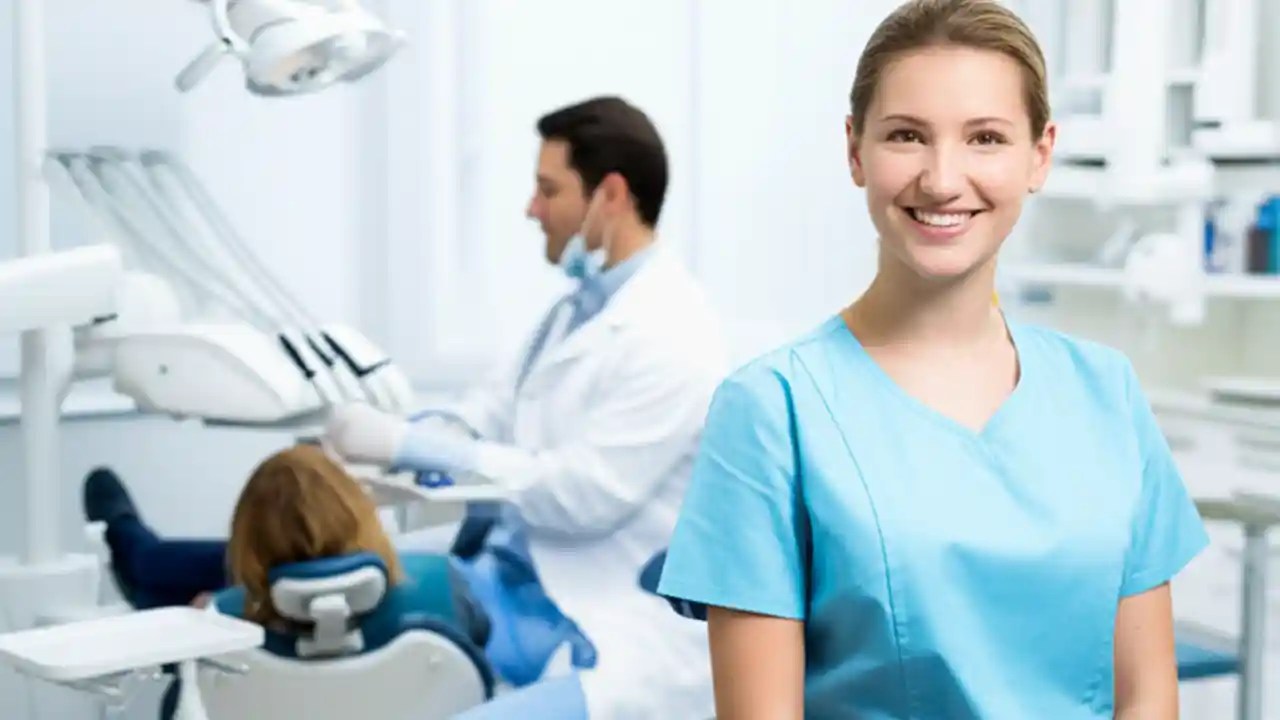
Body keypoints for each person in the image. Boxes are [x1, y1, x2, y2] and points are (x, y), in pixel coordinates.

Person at [89, 96, 727, 719]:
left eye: (549, 189)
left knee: (338, 583)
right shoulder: (574, 313)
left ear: (609, 195)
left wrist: (417, 449)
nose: (532, 209)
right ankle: (162, 574)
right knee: (334, 566)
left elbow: (581, 496)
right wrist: (406, 436)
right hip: (500, 583)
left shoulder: (672, 333)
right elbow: (486, 411)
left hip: (590, 619)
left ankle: (164, 577)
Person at [656, 1, 1208, 718]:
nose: (943, 179)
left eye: (985, 138)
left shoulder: (1107, 392)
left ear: (1039, 154)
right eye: (907, 136)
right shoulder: (772, 409)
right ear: (855, 150)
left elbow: (1147, 697)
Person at [86, 445, 494, 718]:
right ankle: (131, 548)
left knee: (151, 575)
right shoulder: (442, 582)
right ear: (361, 515)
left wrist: (203, 632)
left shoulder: (221, 628)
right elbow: (480, 642)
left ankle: (126, 542)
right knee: (149, 569)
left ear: (244, 544)